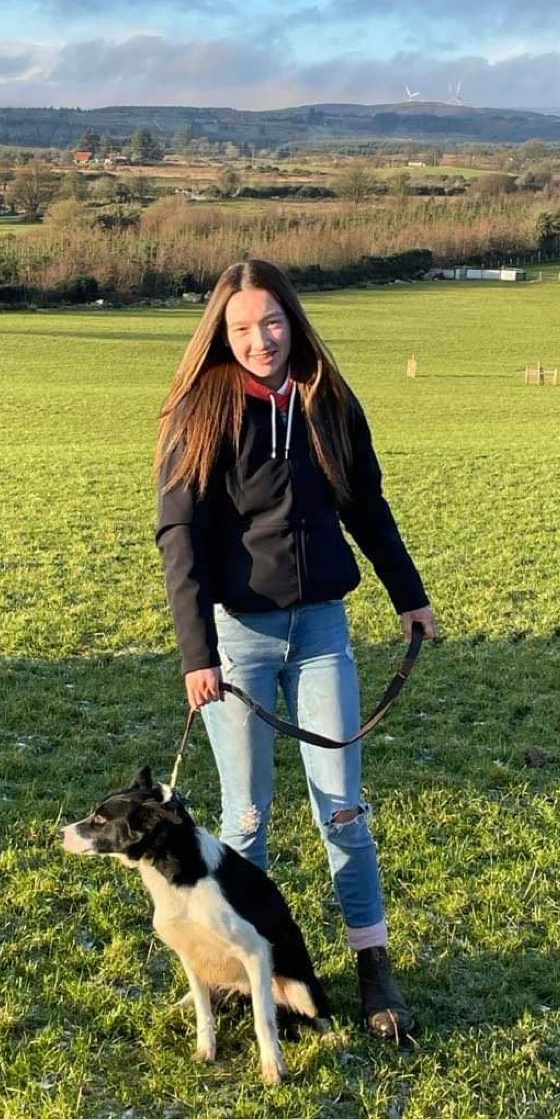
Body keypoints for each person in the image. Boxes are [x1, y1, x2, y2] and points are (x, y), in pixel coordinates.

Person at [155, 258, 437, 1039]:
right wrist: (196, 652)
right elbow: (177, 537)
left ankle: (374, 972)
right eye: (241, 327)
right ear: (221, 331)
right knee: (243, 819)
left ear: (293, 320)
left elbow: (367, 506)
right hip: (235, 639)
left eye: (271, 322)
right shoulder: (198, 412)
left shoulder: (329, 404)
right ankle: (248, 973)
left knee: (344, 809)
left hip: (321, 632)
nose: (260, 340)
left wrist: (409, 595)